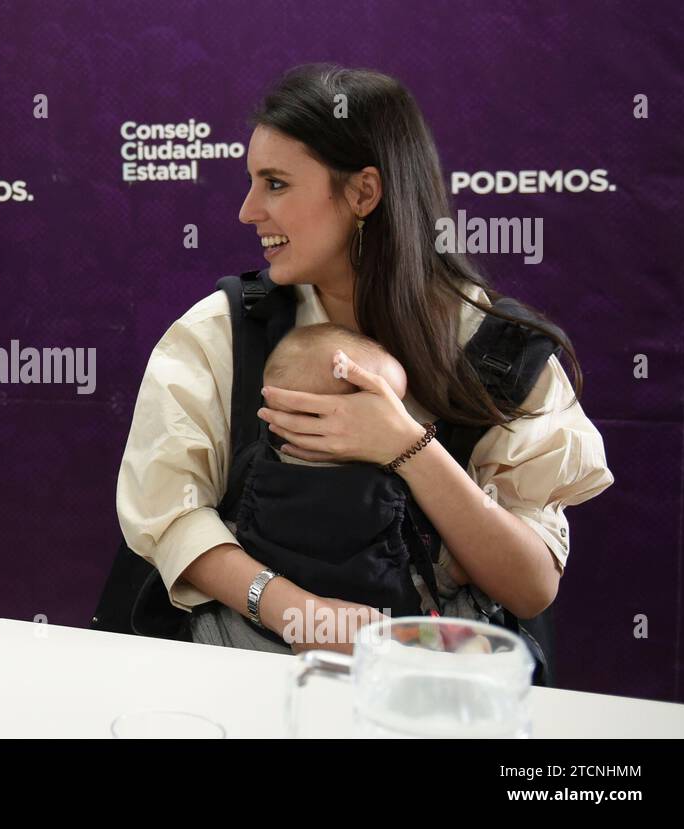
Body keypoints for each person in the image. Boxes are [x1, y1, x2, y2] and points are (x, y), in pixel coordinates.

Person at [116, 64, 613, 655]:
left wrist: (408, 447)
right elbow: (171, 518)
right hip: (249, 662)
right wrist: (305, 617)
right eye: (252, 182)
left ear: (363, 193)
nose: (248, 210)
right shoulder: (220, 332)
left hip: (426, 681)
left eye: (275, 183)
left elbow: (531, 587)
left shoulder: (505, 352)